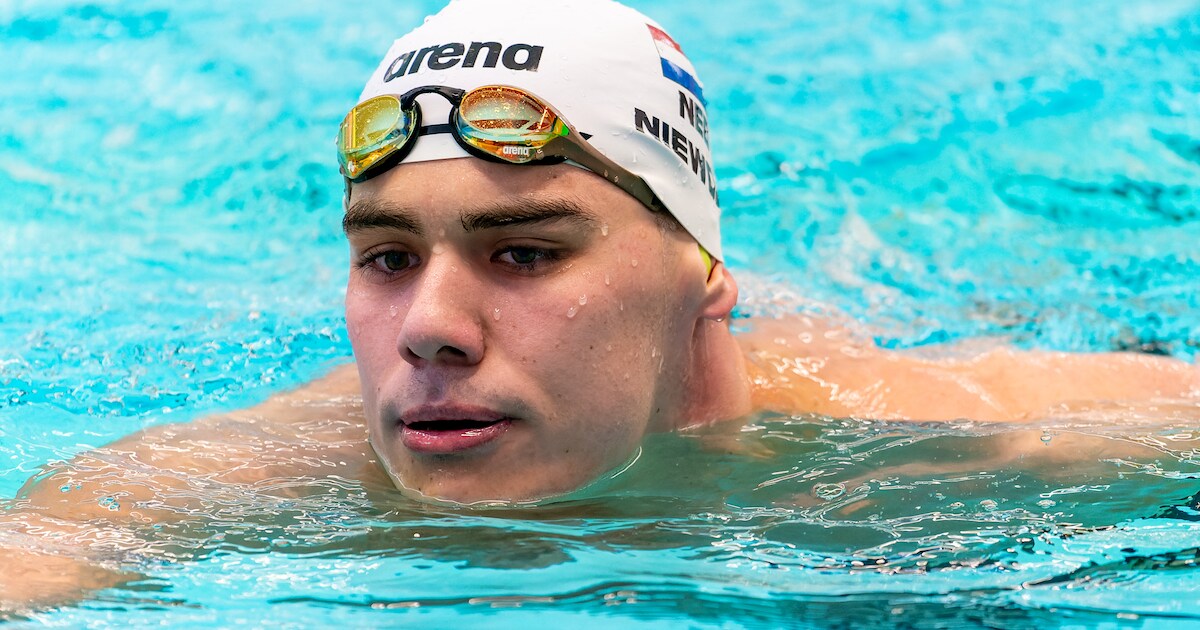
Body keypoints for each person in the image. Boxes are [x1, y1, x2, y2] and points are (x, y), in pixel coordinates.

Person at [3, 0, 1198, 611]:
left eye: (522, 253)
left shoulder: (937, 436)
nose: (430, 326)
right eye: (384, 255)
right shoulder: (268, 475)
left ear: (702, 289)